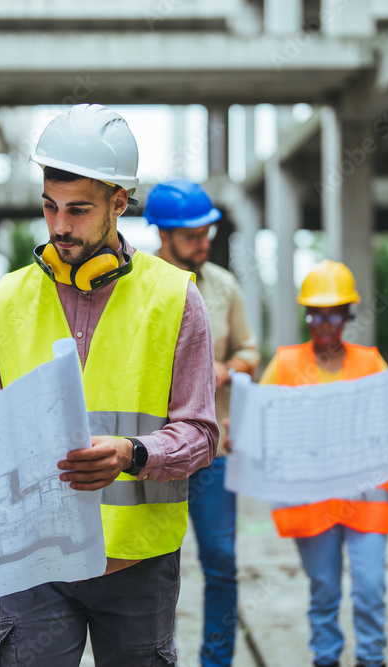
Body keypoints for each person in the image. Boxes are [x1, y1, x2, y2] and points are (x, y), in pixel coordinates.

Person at [0, 104, 218, 666]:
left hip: (136, 562)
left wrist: (134, 453)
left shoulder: (176, 298)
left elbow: (202, 434)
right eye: (50, 207)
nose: (60, 226)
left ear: (118, 203)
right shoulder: (5, 303)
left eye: (78, 210)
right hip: (34, 557)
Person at [258, 259, 388, 667]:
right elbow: (259, 419)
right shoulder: (287, 365)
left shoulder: (370, 362)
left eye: (334, 314)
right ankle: (325, 659)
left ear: (347, 316)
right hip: (313, 502)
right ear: (307, 316)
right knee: (324, 588)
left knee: (370, 587)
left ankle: (370, 659)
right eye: (316, 315)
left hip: (365, 498)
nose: (325, 324)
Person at [145, 178, 260, 667]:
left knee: (221, 565)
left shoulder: (224, 286)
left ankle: (217, 662)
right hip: (152, 455)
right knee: (146, 569)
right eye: (192, 234)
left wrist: (227, 368)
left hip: (214, 454)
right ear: (163, 234)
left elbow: (252, 351)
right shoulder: (138, 285)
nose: (203, 241)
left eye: (206, 232)